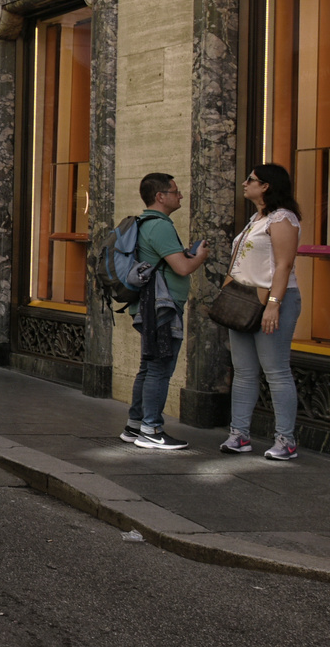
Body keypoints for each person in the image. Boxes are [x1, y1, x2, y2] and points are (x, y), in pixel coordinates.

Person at [119, 173, 209, 450]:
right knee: (160, 367)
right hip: (162, 306)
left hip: (149, 304)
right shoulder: (160, 226)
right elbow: (182, 268)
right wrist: (200, 258)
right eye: (176, 191)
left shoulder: (146, 223)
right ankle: (151, 429)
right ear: (161, 196)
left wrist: (182, 255)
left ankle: (135, 426)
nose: (180, 195)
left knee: (148, 367)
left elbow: (170, 261)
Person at [224, 163, 303, 461]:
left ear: (266, 185)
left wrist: (274, 305)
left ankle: (286, 440)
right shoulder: (256, 219)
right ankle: (239, 434)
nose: (245, 183)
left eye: (251, 179)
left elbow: (284, 264)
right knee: (243, 371)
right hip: (243, 301)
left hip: (273, 300)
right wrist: (226, 295)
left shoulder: (283, 218)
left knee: (276, 371)